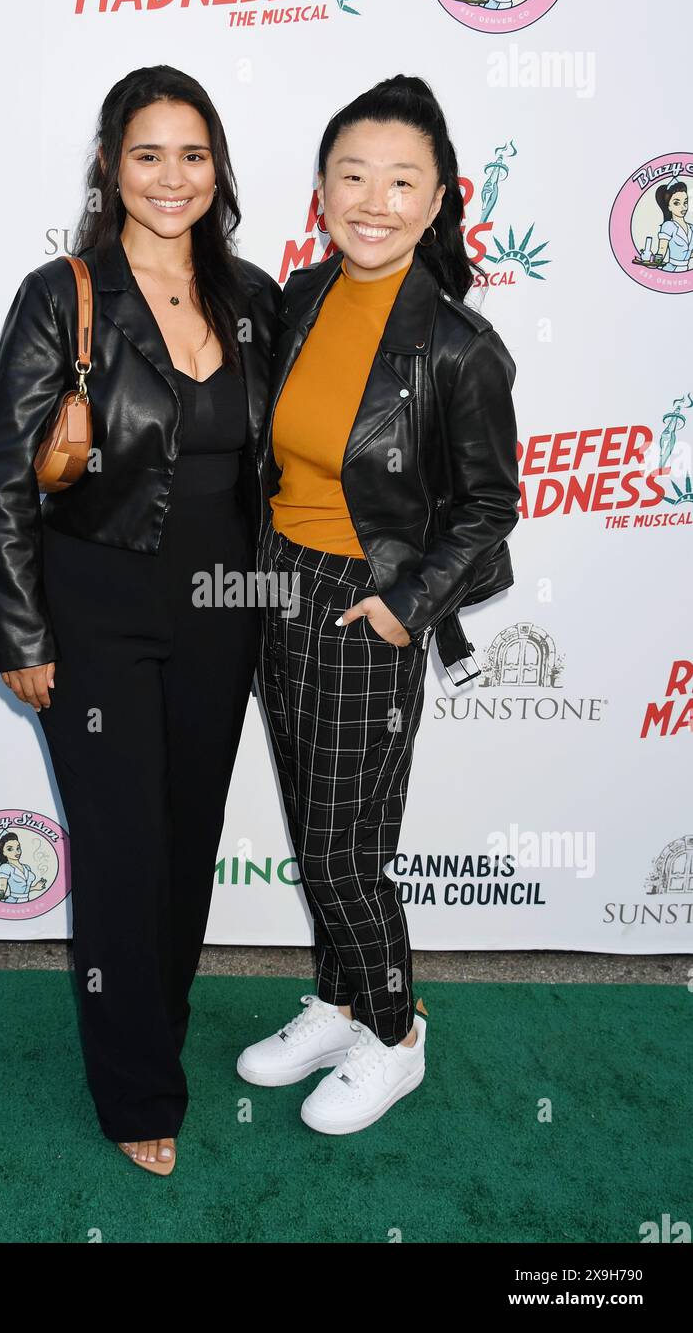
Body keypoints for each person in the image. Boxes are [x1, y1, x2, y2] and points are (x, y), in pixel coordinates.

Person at [0, 66, 281, 1175]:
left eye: (192, 154)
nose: (171, 176)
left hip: (226, 610)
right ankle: (136, 1088)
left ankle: (160, 1029)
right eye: (147, 153)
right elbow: (9, 473)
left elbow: (290, 458)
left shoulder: (254, 297)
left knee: (187, 844)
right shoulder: (64, 293)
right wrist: (22, 634)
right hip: (95, 606)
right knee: (120, 851)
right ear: (111, 165)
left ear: (219, 168)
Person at [239, 74, 521, 1135]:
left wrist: (409, 601)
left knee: (345, 843)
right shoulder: (302, 295)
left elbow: (491, 503)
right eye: (352, 174)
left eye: (402, 180)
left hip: (370, 600)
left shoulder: (457, 345)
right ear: (321, 188)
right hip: (276, 577)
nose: (374, 197)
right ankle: (341, 998)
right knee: (319, 821)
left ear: (439, 197)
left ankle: (396, 1031)